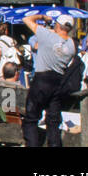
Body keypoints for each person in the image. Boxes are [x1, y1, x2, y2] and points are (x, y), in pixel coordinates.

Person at [22, 12, 77, 147]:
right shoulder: (71, 45)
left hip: (42, 79)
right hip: (58, 81)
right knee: (53, 120)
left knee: (31, 117)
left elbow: (26, 19)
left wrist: (42, 17)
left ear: (57, 25)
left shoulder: (47, 36)